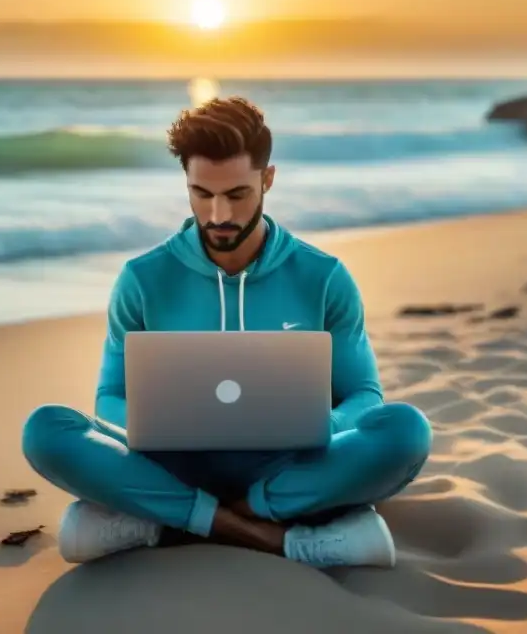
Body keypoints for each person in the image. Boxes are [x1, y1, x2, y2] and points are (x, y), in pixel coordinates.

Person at [21, 96, 432, 569]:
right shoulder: (143, 279)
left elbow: (364, 396)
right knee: (46, 430)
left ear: (267, 180)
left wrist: (316, 426)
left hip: (288, 469)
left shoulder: (323, 277)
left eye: (236, 195)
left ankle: (168, 521)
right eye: (202, 194)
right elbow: (111, 397)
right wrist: (147, 427)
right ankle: (285, 541)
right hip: (174, 465)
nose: (218, 215)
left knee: (405, 433)